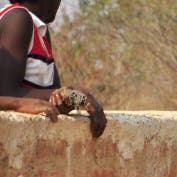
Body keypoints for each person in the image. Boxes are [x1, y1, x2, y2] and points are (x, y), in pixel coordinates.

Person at [0, 0, 106, 137]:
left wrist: (68, 99)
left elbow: (54, 94)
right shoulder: (18, 18)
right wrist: (76, 94)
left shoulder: (39, 30)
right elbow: (6, 93)